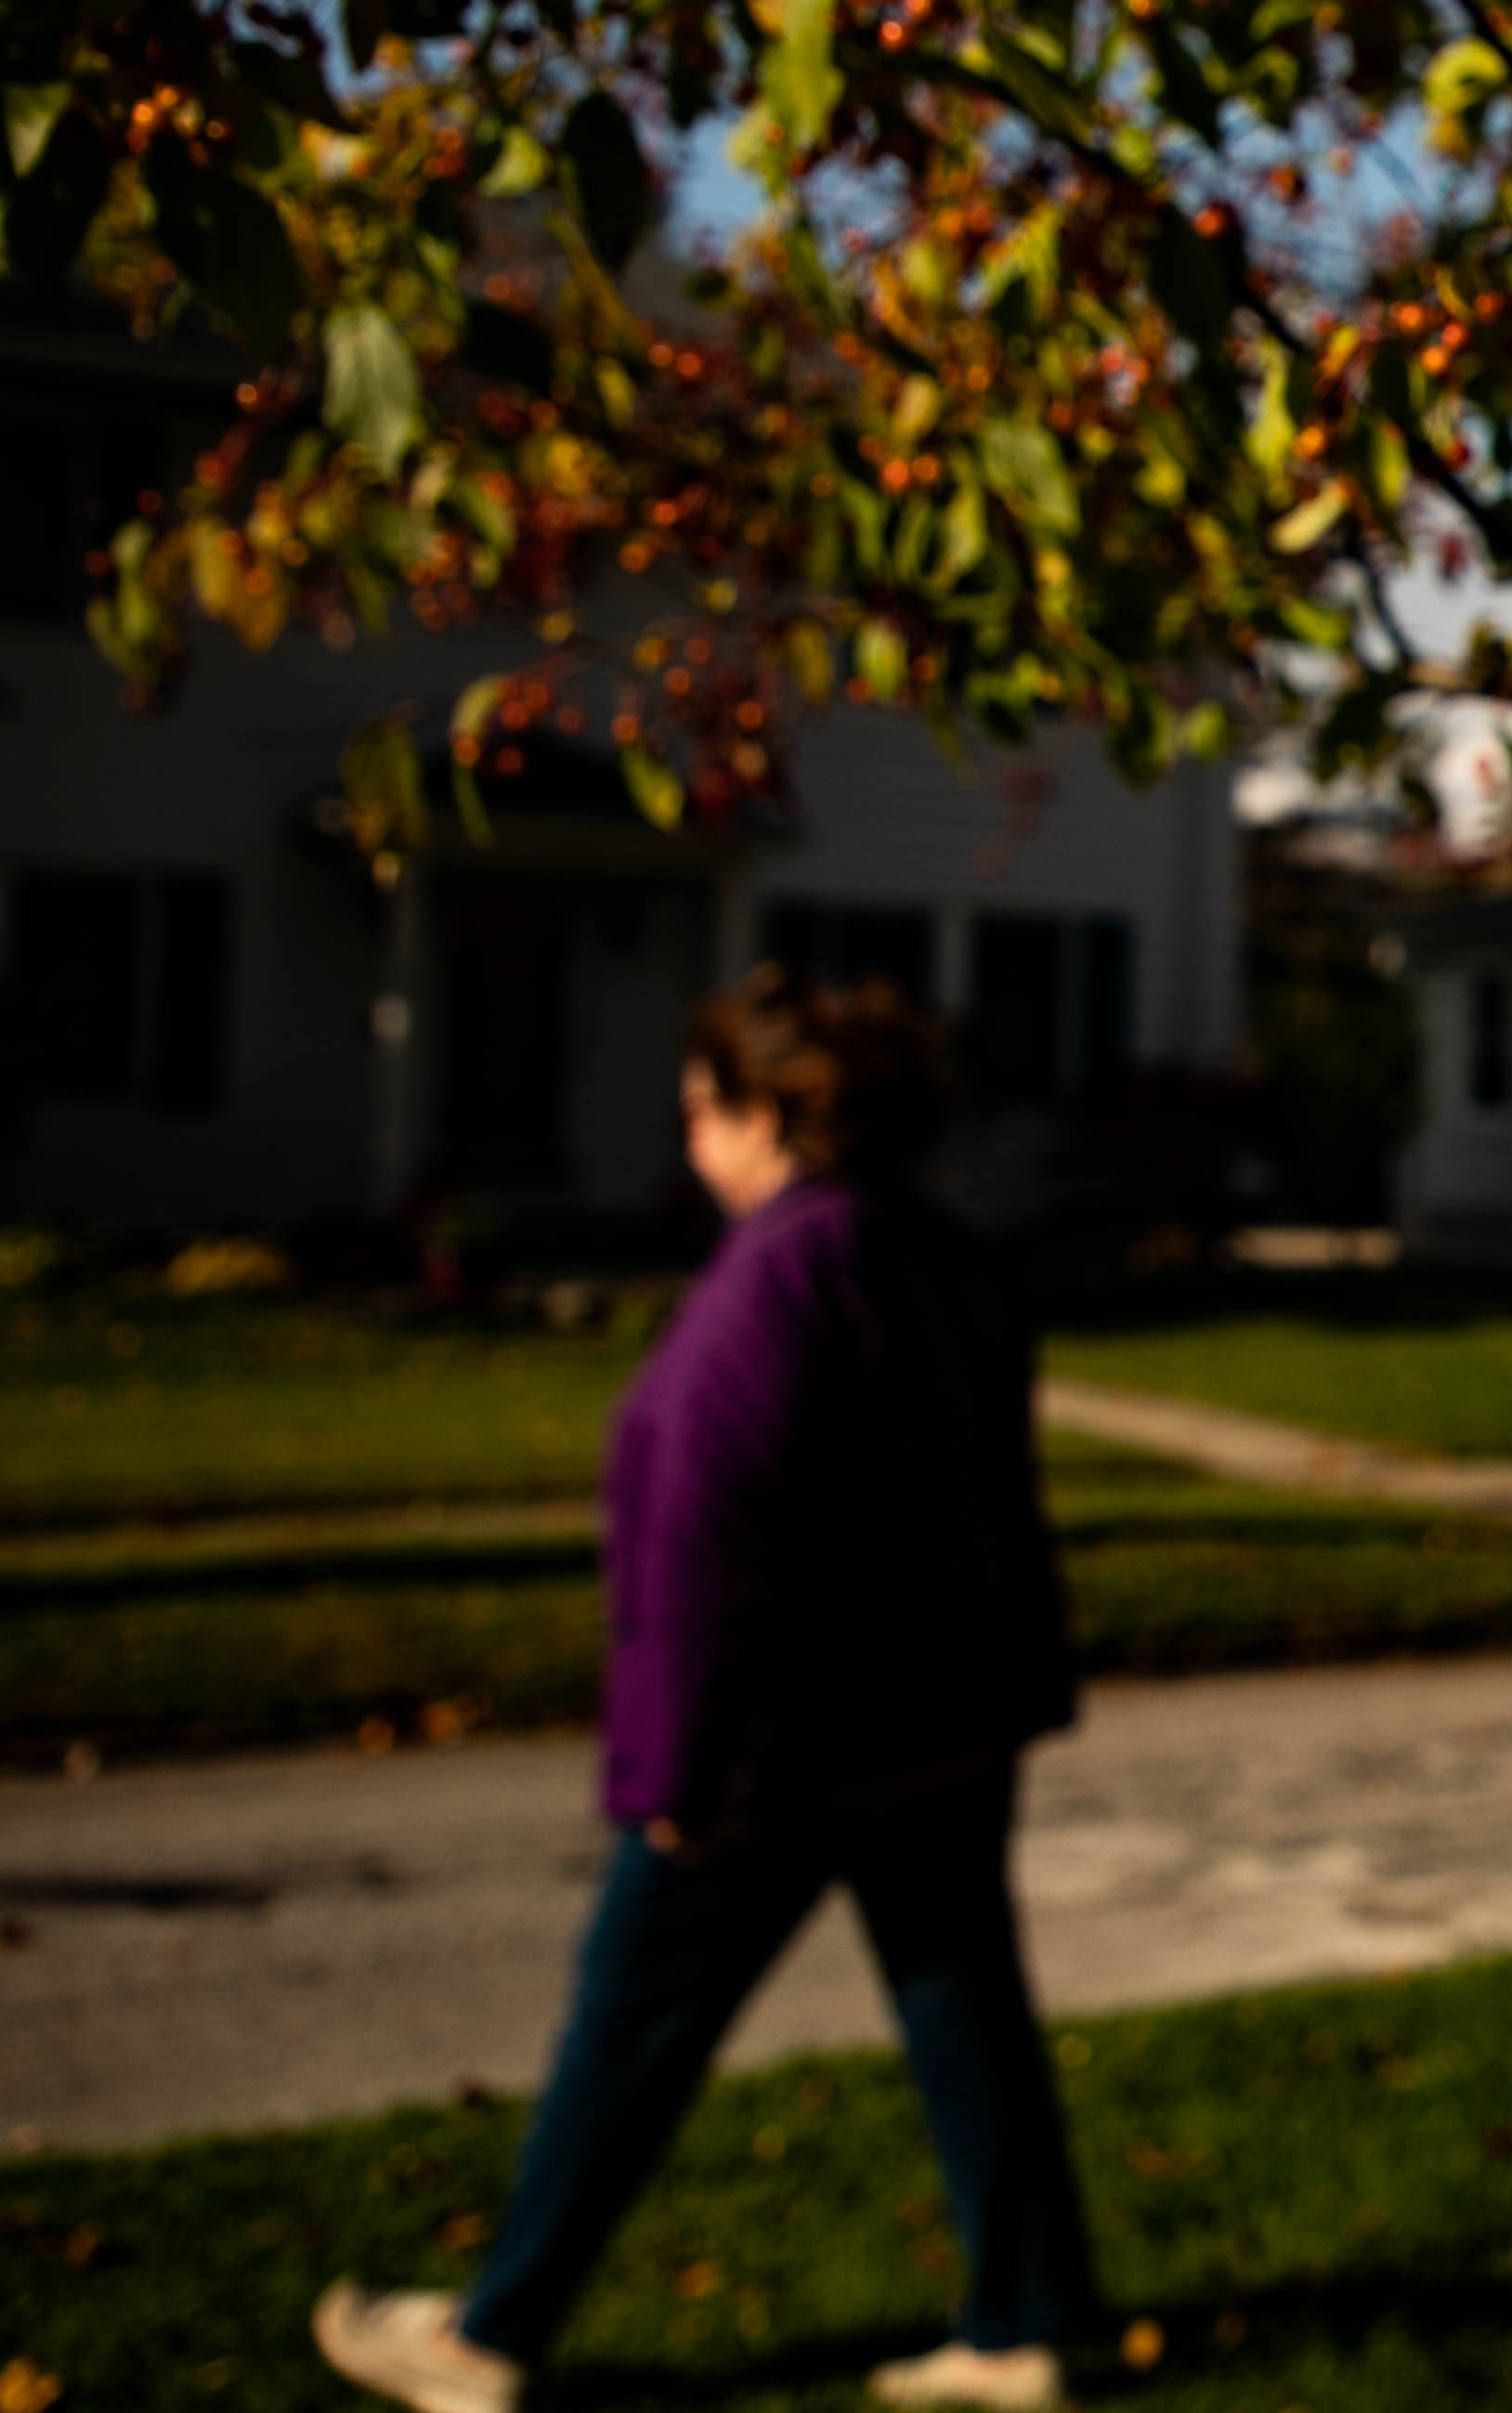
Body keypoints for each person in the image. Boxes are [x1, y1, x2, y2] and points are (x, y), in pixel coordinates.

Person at [317, 974, 1102, 2412]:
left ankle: (486, 2342)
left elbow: (700, 1537)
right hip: (947, 1720)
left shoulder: (775, 1280)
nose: (687, 1136)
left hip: (782, 1744)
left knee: (631, 2022)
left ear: (770, 1116)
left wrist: (675, 1778)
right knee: (962, 2002)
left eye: (698, 1107)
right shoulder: (946, 1255)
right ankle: (1025, 2325)